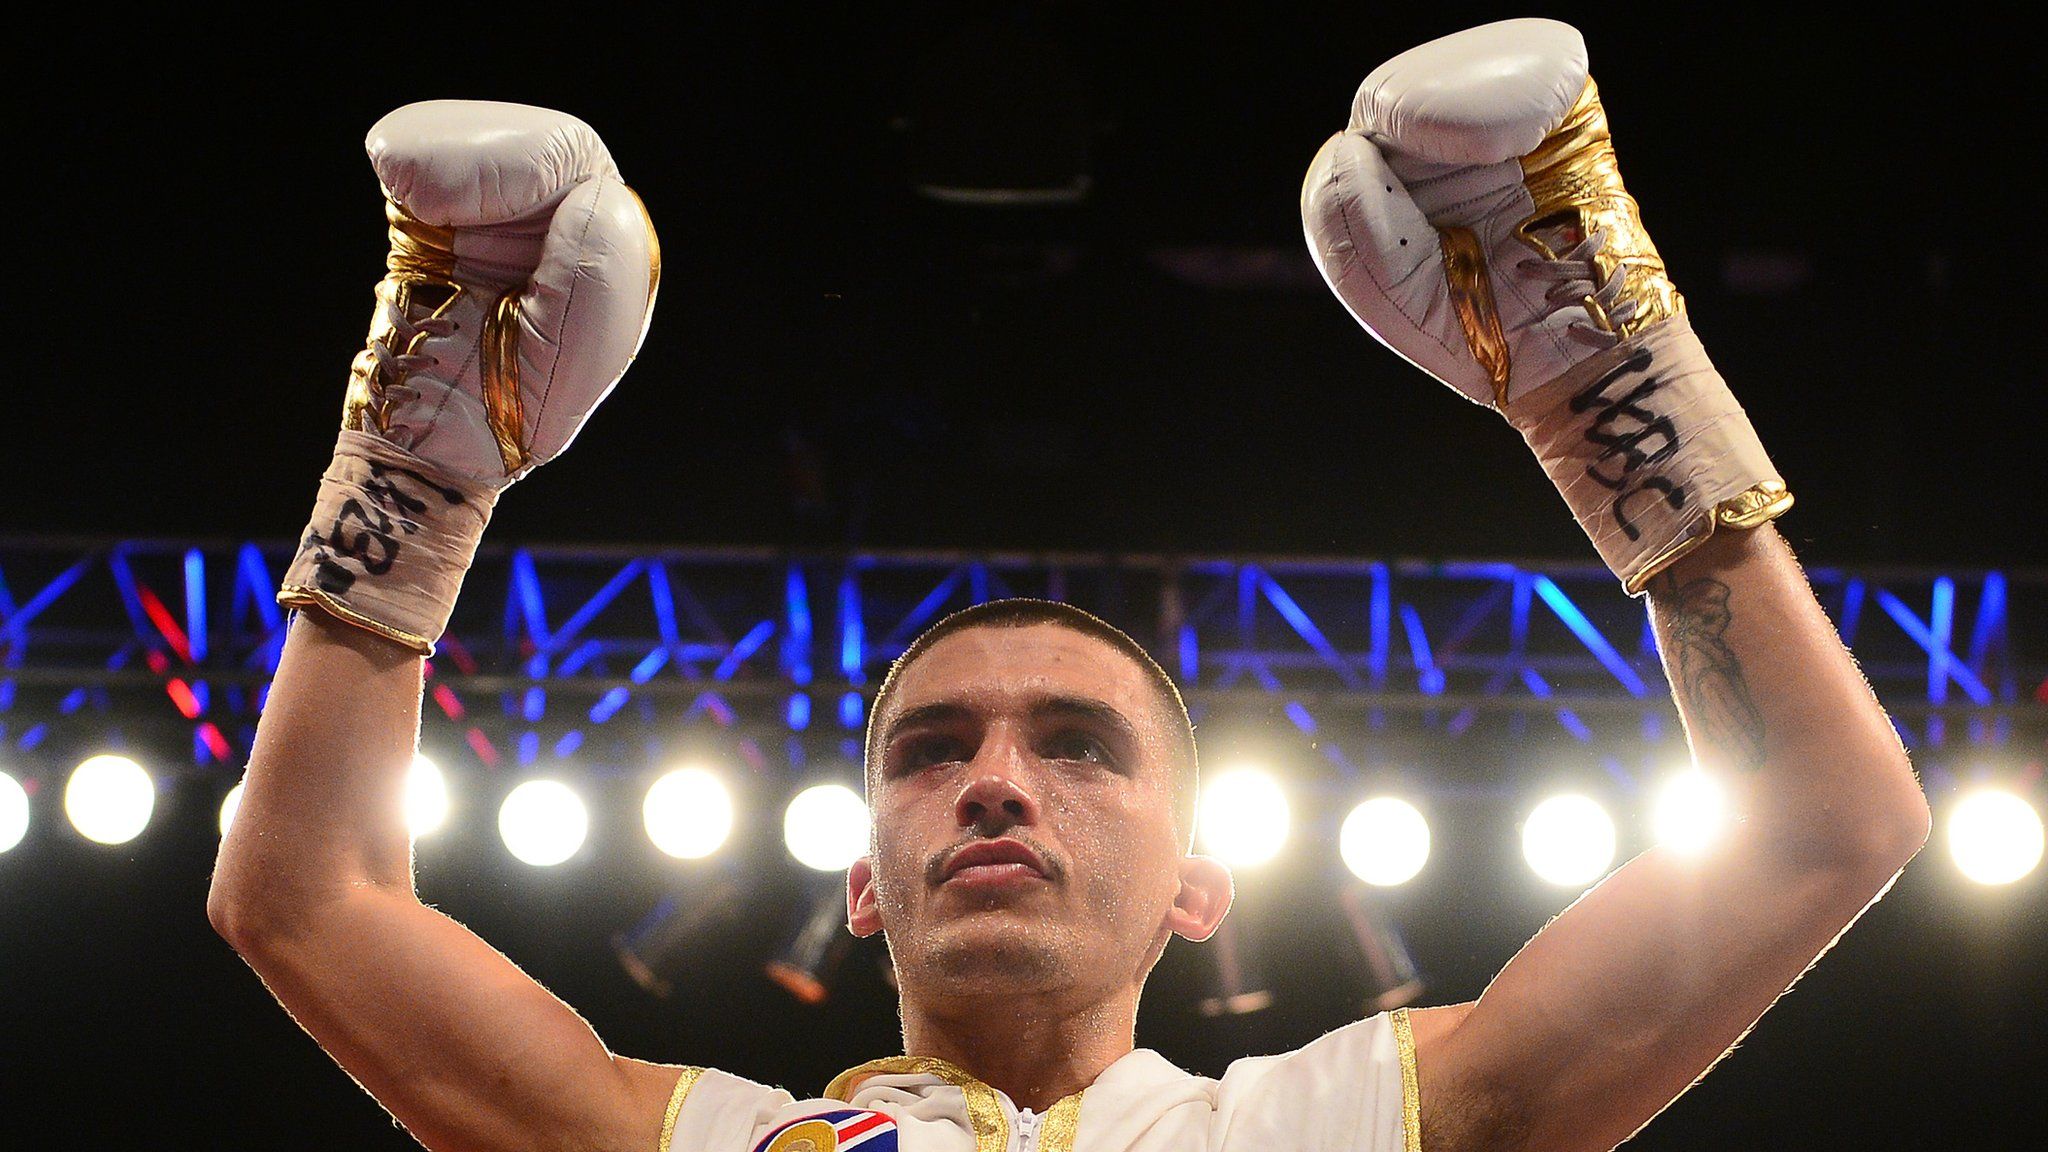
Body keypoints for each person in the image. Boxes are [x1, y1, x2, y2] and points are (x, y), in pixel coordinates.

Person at [208, 18, 1931, 1152]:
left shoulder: (1344, 1126)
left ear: (1199, 884)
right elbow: (301, 902)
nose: (995, 782)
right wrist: (413, 489)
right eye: (928, 750)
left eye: (1081, 747)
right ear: (863, 884)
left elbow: (1826, 823)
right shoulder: (712, 1144)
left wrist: (1602, 394)